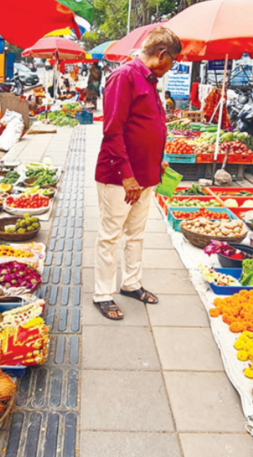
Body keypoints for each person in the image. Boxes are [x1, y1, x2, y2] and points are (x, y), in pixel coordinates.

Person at [92, 26, 182, 320]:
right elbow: (113, 130)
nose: (173, 67)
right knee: (110, 235)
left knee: (136, 235)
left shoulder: (150, 80)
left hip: (146, 175)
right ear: (162, 54)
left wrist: (158, 160)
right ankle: (102, 293)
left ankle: (131, 283)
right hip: (120, 176)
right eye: (174, 61)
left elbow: (146, 128)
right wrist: (127, 175)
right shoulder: (125, 76)